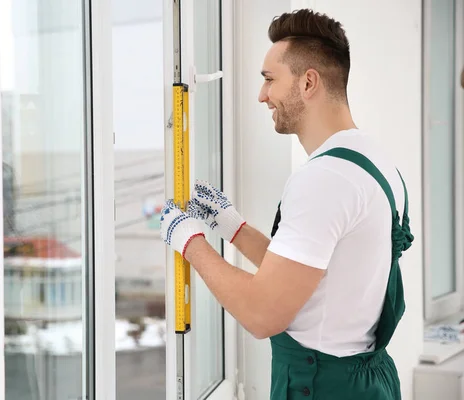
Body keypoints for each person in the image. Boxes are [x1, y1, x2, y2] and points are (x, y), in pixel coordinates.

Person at [159, 8, 414, 400]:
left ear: (308, 82)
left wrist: (191, 243)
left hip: (323, 386)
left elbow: (263, 314)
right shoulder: (372, 160)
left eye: (269, 80)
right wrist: (234, 229)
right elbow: (307, 277)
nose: (262, 95)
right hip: (366, 380)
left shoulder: (325, 179)